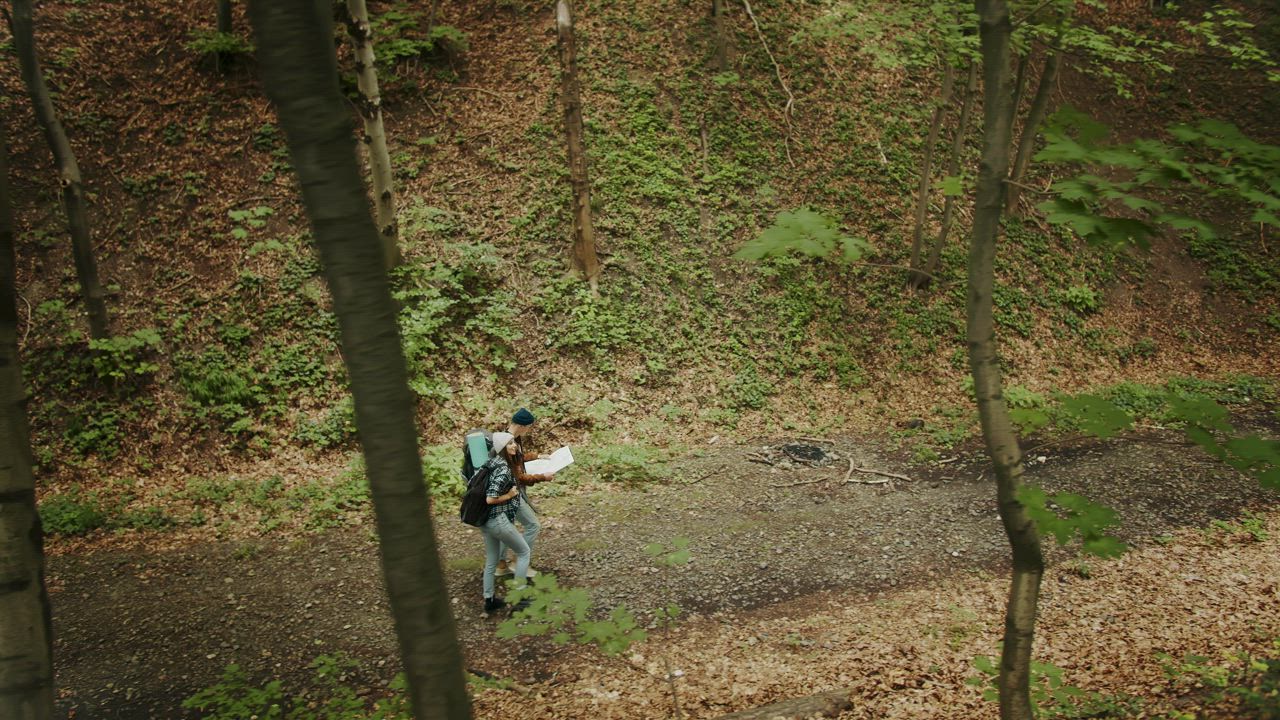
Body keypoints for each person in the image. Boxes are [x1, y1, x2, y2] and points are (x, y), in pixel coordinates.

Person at [495, 407, 554, 577]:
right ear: (522, 426)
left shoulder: (510, 437)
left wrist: (537, 456)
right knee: (533, 525)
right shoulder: (508, 442)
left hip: (503, 492)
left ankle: (500, 565)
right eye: (529, 427)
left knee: (508, 527)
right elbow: (519, 477)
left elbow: (518, 458)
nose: (529, 430)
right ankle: (518, 562)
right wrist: (543, 476)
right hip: (511, 493)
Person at [480, 432, 529, 614]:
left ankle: (489, 600)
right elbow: (490, 498)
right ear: (502, 448)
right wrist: (509, 495)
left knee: (492, 560)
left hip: (485, 522)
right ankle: (519, 599)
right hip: (497, 520)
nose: (514, 446)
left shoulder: (490, 463)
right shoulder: (502, 468)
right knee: (524, 551)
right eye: (509, 444)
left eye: (514, 442)